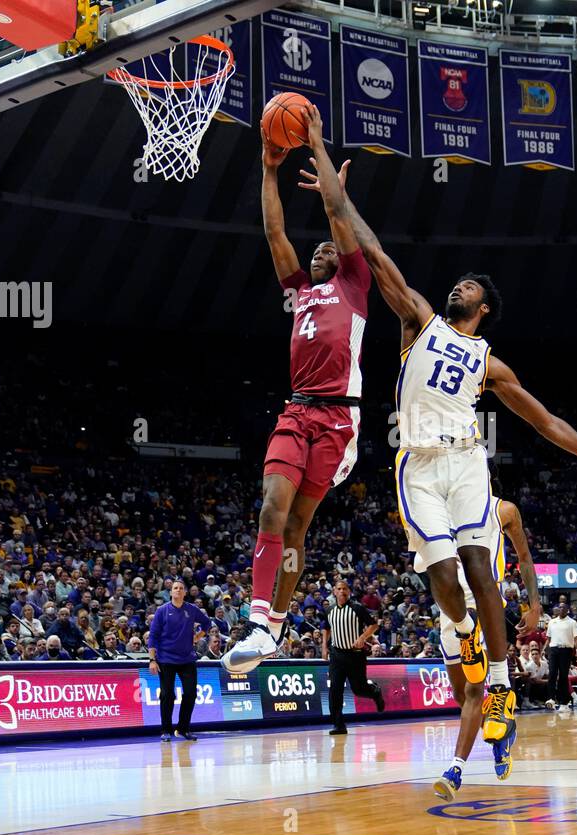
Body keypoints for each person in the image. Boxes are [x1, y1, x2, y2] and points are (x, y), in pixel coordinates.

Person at [303, 152, 577, 769]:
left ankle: (497, 684)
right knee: (441, 576)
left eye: (469, 286)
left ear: (483, 306)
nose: (457, 285)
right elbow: (373, 252)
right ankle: (466, 637)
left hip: (466, 462)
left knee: (478, 567)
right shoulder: (418, 320)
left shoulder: (489, 363)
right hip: (416, 463)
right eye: (458, 282)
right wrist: (336, 196)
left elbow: (545, 422)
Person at [224, 107, 374, 675]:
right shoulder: (297, 291)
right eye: (317, 252)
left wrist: (316, 144)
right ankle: (260, 621)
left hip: (340, 419)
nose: (321, 252)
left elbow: (338, 213)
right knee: (271, 509)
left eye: (329, 251)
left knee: (297, 526)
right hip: (297, 411)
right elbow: (274, 231)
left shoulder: (355, 285)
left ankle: (278, 622)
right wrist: (268, 168)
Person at [432, 493, 541, 799]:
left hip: (483, 607)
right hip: (448, 612)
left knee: (473, 691)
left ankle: (455, 770)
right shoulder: (438, 509)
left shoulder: (503, 509)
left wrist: (534, 604)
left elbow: (524, 557)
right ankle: (501, 731)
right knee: (460, 694)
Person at [147, 581, 213, 742]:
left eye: (181, 588)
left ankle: (183, 729)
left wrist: (197, 637)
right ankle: (166, 730)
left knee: (191, 694)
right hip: (165, 659)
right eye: (175, 588)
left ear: (185, 593)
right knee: (167, 695)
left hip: (187, 659)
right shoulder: (162, 611)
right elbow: (153, 636)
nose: (178, 590)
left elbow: (207, 623)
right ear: (171, 592)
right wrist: (152, 660)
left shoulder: (191, 609)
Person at [324, 580, 384, 736]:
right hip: (337, 655)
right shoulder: (329, 610)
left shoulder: (357, 608)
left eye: (345, 588)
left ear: (349, 591)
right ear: (334, 592)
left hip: (355, 655)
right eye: (339, 588)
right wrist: (324, 647)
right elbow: (325, 628)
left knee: (359, 689)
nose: (342, 591)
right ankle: (339, 725)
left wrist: (363, 637)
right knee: (335, 690)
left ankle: (374, 692)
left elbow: (373, 625)